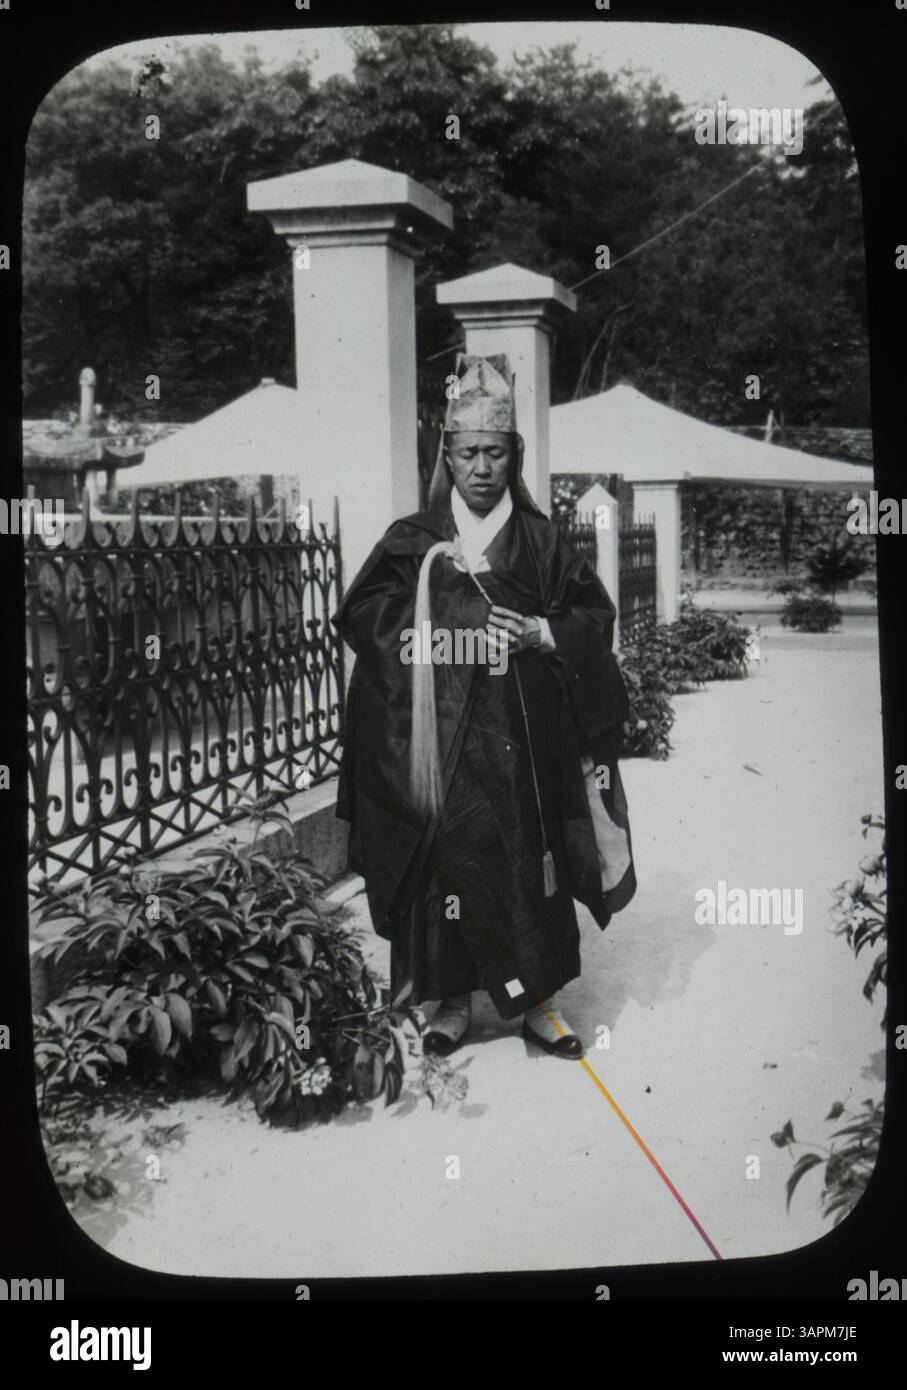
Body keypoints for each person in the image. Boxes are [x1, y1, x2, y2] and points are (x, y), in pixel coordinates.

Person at [333, 354, 635, 1059]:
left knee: (532, 862)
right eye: (466, 452)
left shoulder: (540, 540)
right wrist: (437, 629)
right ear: (446, 455)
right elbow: (363, 616)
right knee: (446, 870)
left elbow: (593, 616)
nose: (479, 467)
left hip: (525, 745)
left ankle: (538, 1004)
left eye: (493, 452)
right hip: (438, 742)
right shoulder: (414, 540)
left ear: (513, 455)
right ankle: (450, 1003)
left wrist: (540, 631)